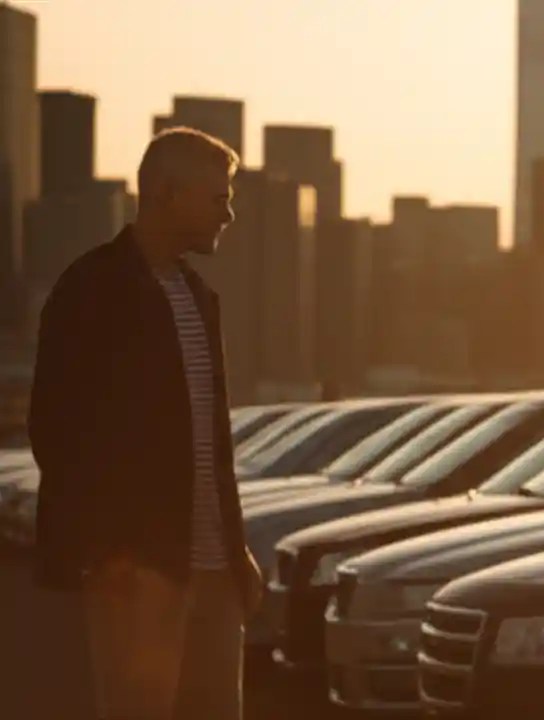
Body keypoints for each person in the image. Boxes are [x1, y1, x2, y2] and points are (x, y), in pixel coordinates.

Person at [28, 127, 264, 720]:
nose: (229, 214)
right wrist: (110, 553)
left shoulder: (199, 296)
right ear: (168, 194)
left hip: (214, 573)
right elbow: (57, 431)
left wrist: (235, 550)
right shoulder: (92, 289)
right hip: (140, 572)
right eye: (218, 198)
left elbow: (210, 442)